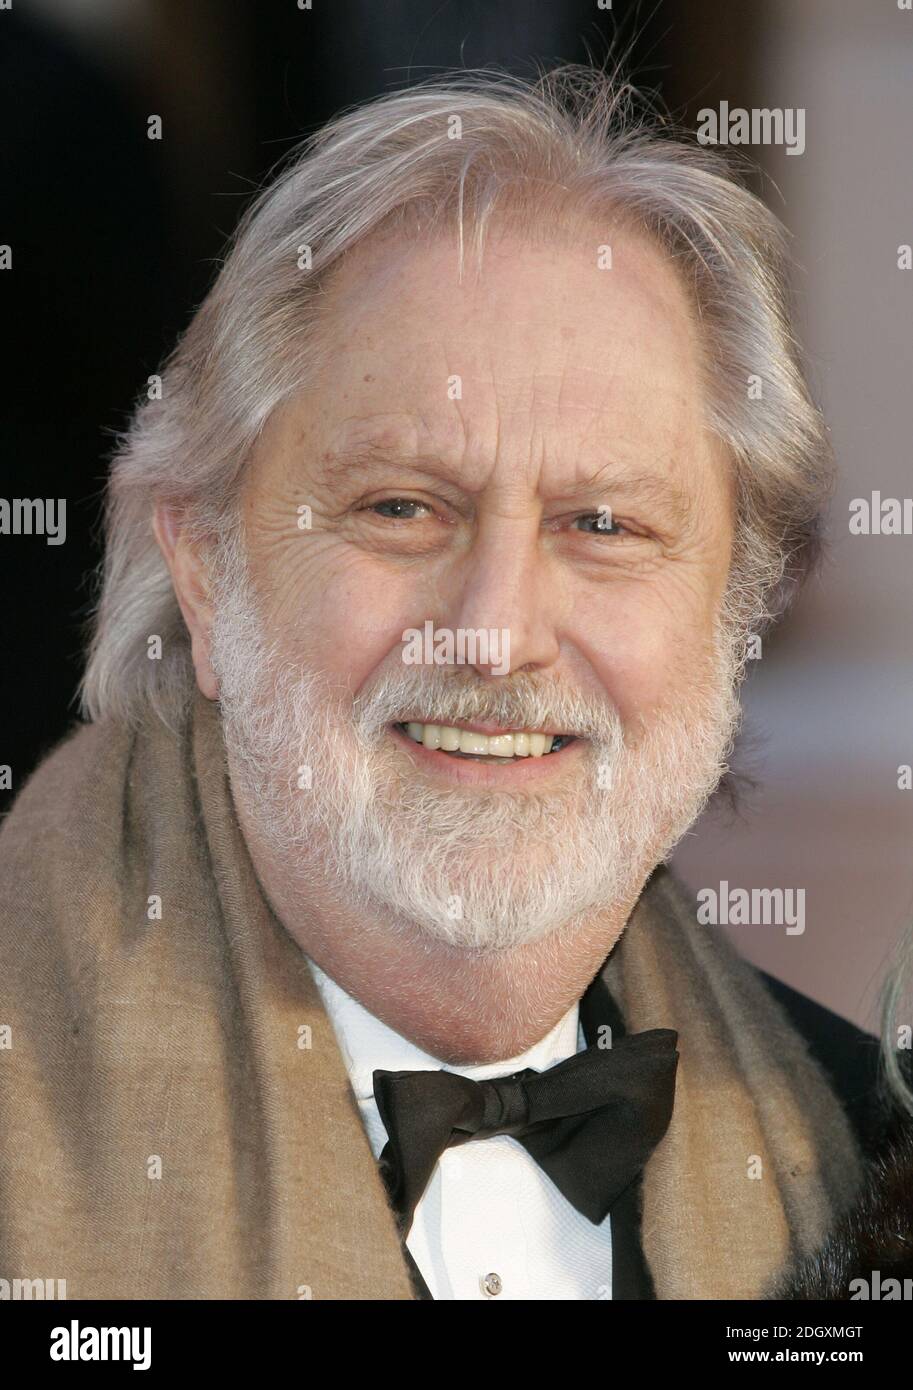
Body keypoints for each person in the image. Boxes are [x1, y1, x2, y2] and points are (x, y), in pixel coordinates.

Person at [0, 64, 884, 1301]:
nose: (496, 633)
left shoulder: (860, 1162)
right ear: (200, 566)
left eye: (605, 524)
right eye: (403, 508)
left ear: (735, 610)